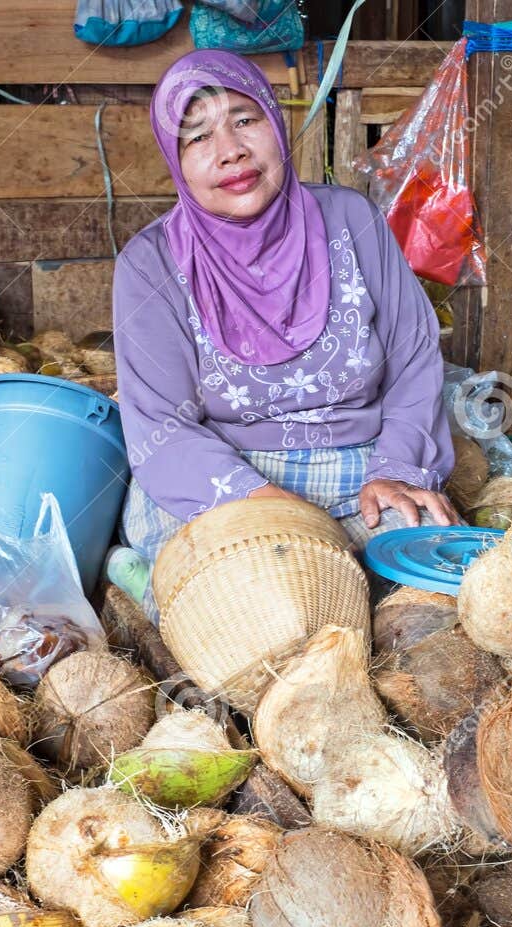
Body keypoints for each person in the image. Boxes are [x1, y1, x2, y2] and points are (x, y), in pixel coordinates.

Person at [112, 48, 456, 618]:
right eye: (197, 137)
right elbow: (161, 428)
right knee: (243, 611)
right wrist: (274, 511)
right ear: (175, 161)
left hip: (361, 473)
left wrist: (396, 468)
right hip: (219, 482)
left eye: (245, 120)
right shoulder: (150, 263)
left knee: (429, 595)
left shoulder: (351, 220)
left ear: (275, 121)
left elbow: (414, 361)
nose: (231, 152)